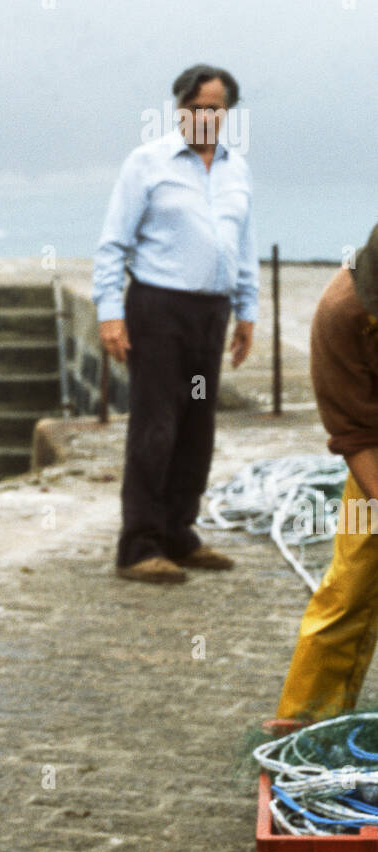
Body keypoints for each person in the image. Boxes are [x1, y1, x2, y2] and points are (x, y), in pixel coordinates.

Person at [93, 64, 259, 585]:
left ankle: (179, 533)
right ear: (179, 109)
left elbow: (244, 245)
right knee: (156, 425)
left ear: (227, 112)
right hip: (158, 310)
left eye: (215, 108)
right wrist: (109, 313)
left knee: (196, 425)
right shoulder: (147, 164)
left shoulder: (238, 170)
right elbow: (113, 243)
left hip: (211, 314)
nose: (205, 116)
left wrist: (246, 312)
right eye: (195, 107)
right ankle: (139, 544)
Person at [274, 226, 378, 722]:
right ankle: (306, 727)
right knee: (350, 590)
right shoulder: (341, 317)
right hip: (375, 452)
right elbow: (354, 436)